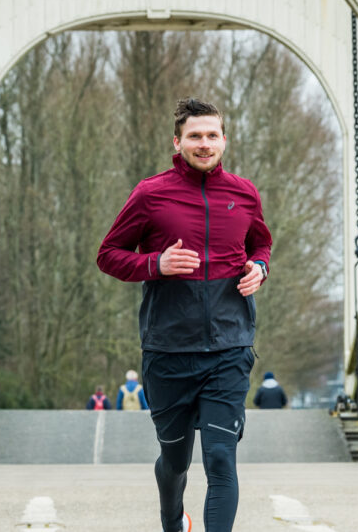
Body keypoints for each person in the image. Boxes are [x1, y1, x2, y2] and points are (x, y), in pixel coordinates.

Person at [97, 98, 271, 532]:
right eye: (195, 136)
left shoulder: (244, 193)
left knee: (220, 457)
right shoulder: (150, 194)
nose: (204, 143)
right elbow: (109, 255)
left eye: (212, 135)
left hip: (230, 347)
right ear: (178, 142)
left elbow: (261, 244)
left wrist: (260, 267)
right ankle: (173, 522)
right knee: (175, 460)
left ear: (224, 140)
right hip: (168, 351)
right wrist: (155, 263)